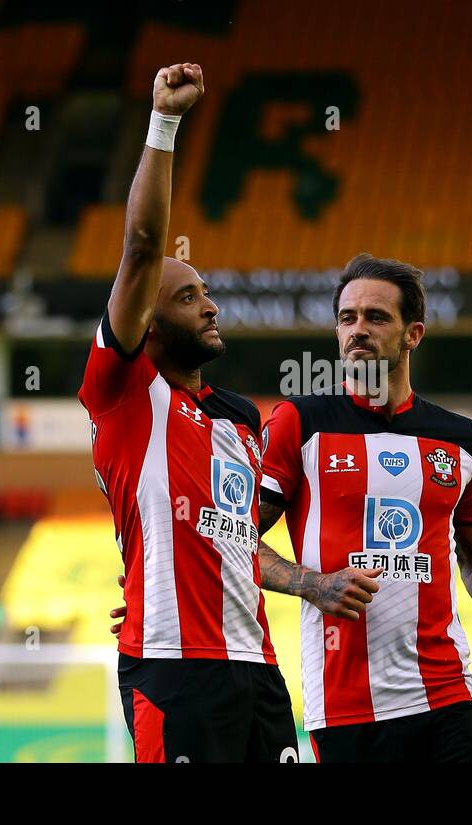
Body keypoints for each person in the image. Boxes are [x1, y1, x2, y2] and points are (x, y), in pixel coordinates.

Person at [81, 62, 297, 762]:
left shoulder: (242, 418)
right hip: (174, 671)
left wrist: (313, 584)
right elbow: (142, 247)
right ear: (145, 321)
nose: (209, 303)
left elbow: (233, 541)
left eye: (206, 290)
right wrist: (165, 121)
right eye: (186, 296)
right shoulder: (124, 393)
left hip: (258, 671)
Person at [254, 253, 472, 762]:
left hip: (447, 692)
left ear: (414, 334)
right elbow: (233, 540)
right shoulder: (301, 423)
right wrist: (312, 584)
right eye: (347, 318)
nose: (357, 330)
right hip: (345, 708)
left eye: (376, 317)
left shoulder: (461, 439)